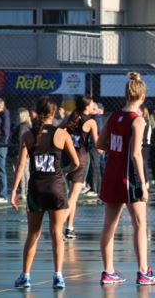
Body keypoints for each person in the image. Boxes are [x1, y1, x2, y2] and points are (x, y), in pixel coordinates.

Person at [96, 72, 155, 286]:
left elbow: (99, 144)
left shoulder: (113, 117)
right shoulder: (137, 120)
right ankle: (143, 272)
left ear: (126, 94)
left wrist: (116, 150)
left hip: (111, 175)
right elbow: (135, 154)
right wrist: (143, 184)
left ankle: (108, 271)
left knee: (109, 225)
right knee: (140, 224)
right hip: (129, 178)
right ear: (142, 97)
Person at [10, 96, 79, 289]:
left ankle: (25, 276)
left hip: (37, 189)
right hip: (56, 187)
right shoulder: (61, 134)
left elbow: (21, 165)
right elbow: (76, 163)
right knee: (57, 233)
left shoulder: (28, 135)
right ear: (54, 112)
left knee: (33, 233)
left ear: (36, 112)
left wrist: (14, 190)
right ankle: (58, 276)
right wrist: (63, 172)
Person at [61, 95, 98, 240]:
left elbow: (57, 131)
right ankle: (58, 227)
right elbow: (98, 145)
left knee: (71, 196)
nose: (94, 105)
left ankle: (69, 228)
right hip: (80, 159)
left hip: (67, 156)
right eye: (92, 103)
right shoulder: (91, 122)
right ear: (87, 106)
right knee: (73, 196)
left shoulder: (71, 117)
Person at [14, 108, 32, 200]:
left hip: (22, 151)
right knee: (26, 172)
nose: (17, 116)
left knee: (22, 171)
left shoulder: (22, 126)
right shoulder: (29, 125)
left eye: (18, 115)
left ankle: (23, 191)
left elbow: (21, 139)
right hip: (27, 151)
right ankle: (26, 191)